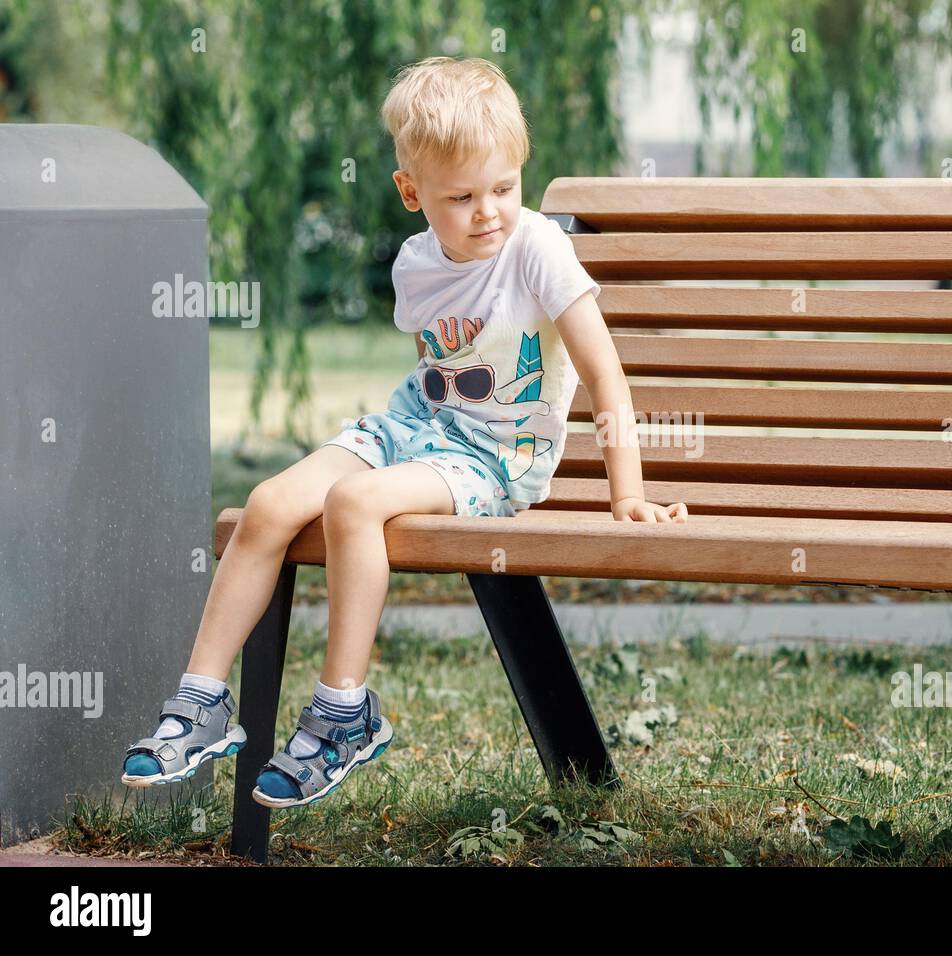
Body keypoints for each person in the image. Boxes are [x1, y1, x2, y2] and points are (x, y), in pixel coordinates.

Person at [121, 55, 688, 809]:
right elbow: (437, 374)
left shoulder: (538, 250)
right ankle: (198, 705)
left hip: (496, 459)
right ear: (410, 192)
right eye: (461, 197)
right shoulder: (416, 264)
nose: (488, 210)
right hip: (415, 426)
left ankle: (342, 715)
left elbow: (604, 372)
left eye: (503, 188)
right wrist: (398, 437)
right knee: (265, 505)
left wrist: (628, 496)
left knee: (354, 504)